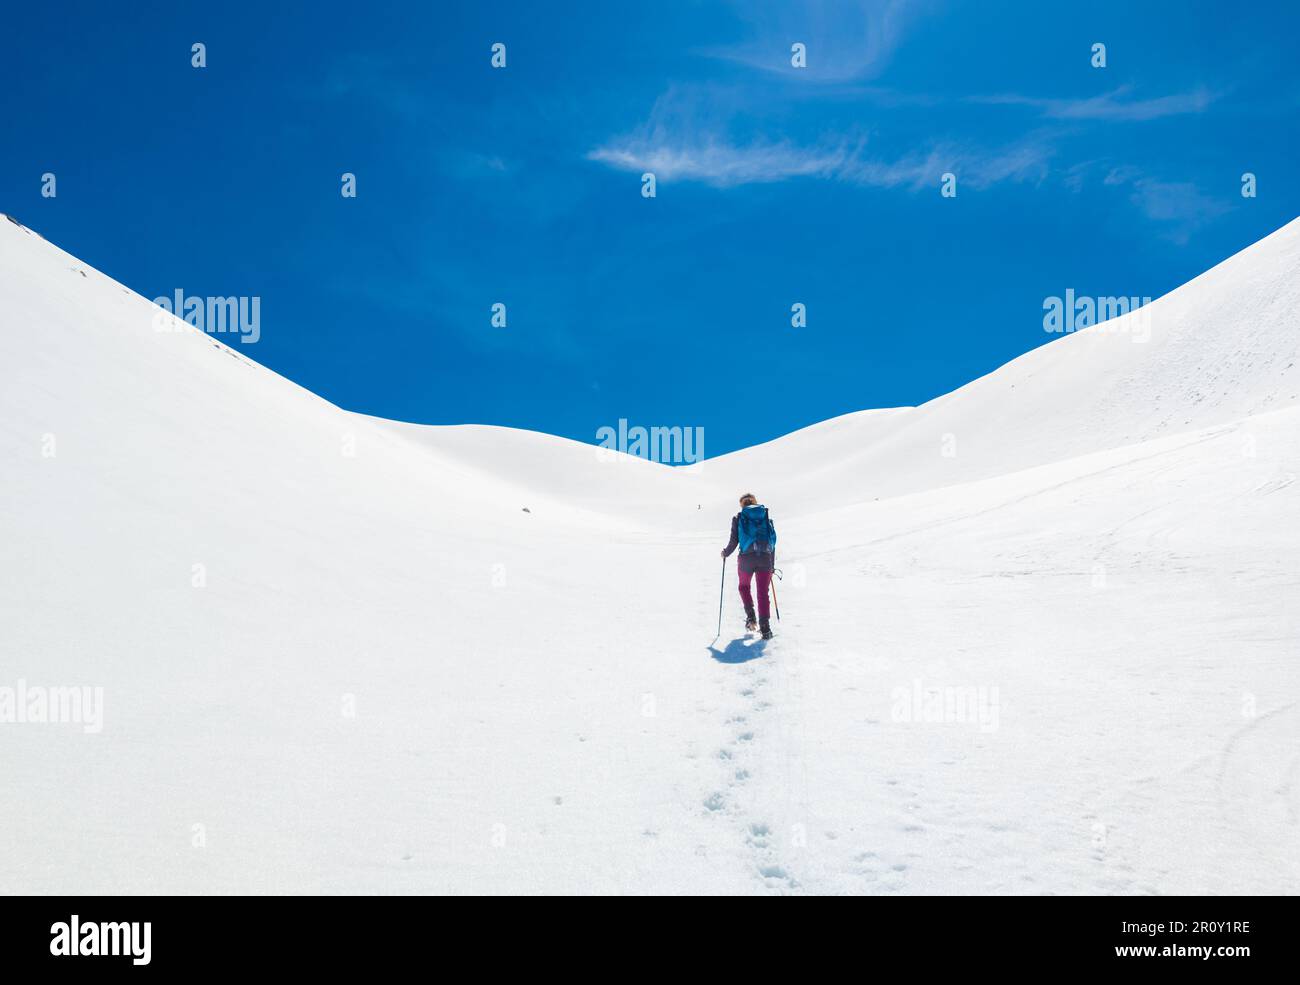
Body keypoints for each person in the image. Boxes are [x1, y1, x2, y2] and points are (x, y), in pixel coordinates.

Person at [720, 493, 777, 639]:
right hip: (765, 558)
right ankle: (765, 629)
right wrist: (771, 565)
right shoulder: (765, 517)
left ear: (742, 505)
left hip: (746, 559)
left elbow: (734, 542)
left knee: (744, 587)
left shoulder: (739, 518)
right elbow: (772, 542)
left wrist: (725, 553)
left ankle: (751, 618)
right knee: (763, 593)